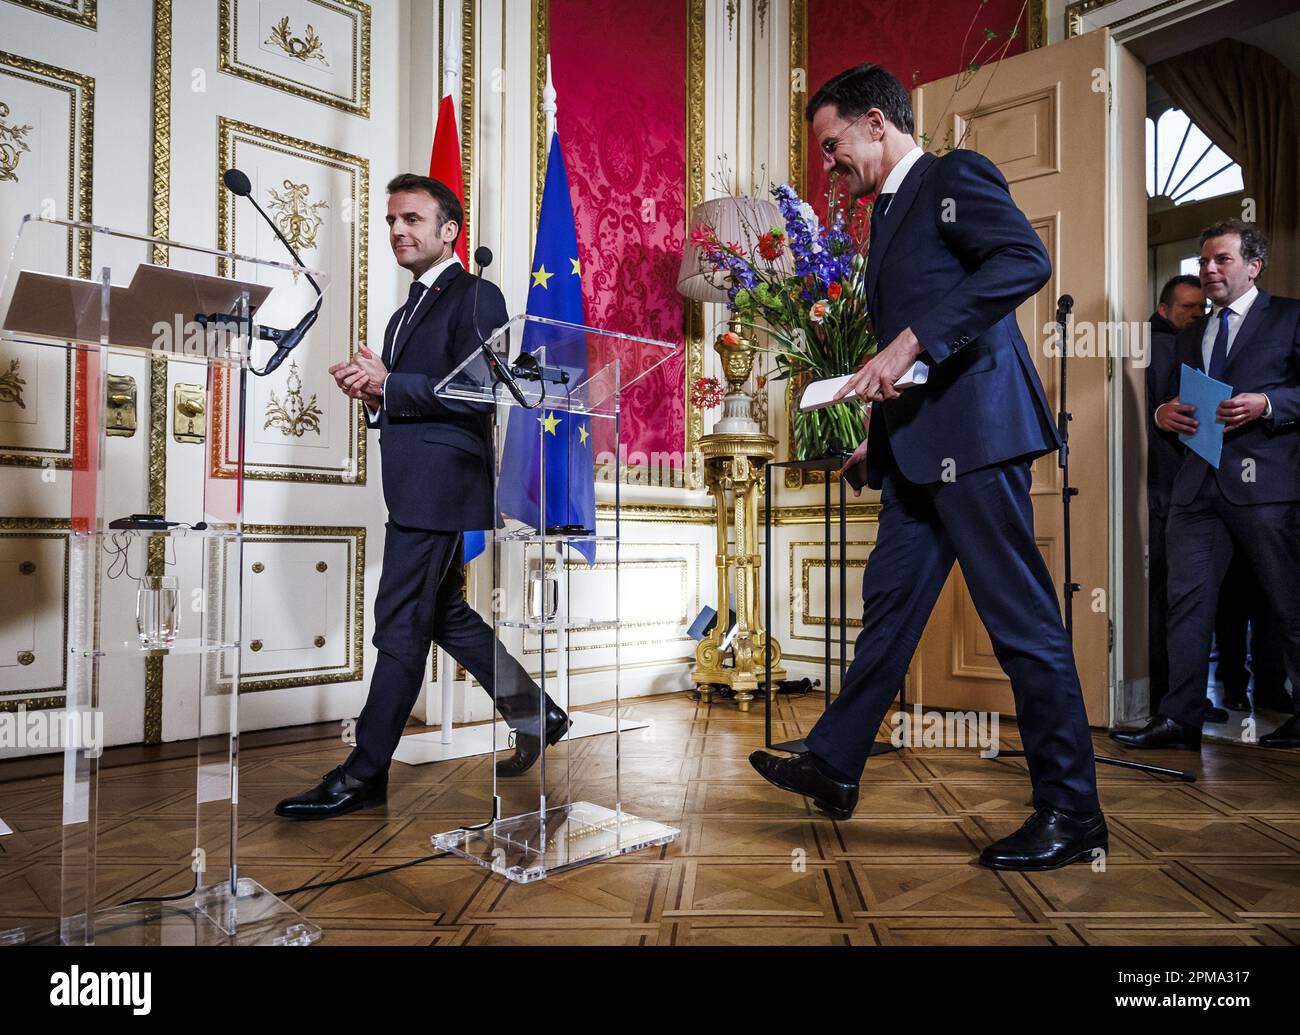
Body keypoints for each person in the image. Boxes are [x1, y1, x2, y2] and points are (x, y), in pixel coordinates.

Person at [749, 64, 1104, 870]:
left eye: (833, 145)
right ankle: (836, 765)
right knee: (888, 612)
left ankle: (1073, 812)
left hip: (977, 439)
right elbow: (908, 349)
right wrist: (880, 432)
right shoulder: (890, 214)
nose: (828, 165)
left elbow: (1022, 260)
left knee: (1022, 624)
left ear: (878, 122)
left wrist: (910, 341)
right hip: (916, 448)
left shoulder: (953, 175)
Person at [275, 174, 570, 819]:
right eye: (391, 221)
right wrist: (375, 390)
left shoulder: (478, 298)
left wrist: (393, 382)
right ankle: (536, 713)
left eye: (412, 219)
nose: (398, 231)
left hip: (444, 485)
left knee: (400, 617)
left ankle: (364, 771)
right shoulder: (402, 310)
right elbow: (419, 392)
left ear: (448, 232)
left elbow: (478, 391)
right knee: (443, 617)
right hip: (413, 483)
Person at [1114, 219, 1300, 751]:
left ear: (1253, 266)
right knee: (1186, 604)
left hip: (1266, 489)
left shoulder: (1289, 317)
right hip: (1196, 489)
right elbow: (1177, 398)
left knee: (1287, 605)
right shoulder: (1192, 333)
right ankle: (1180, 717)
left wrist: (1267, 404)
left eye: (1221, 260)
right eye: (1204, 261)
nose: (1210, 270)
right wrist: (1161, 412)